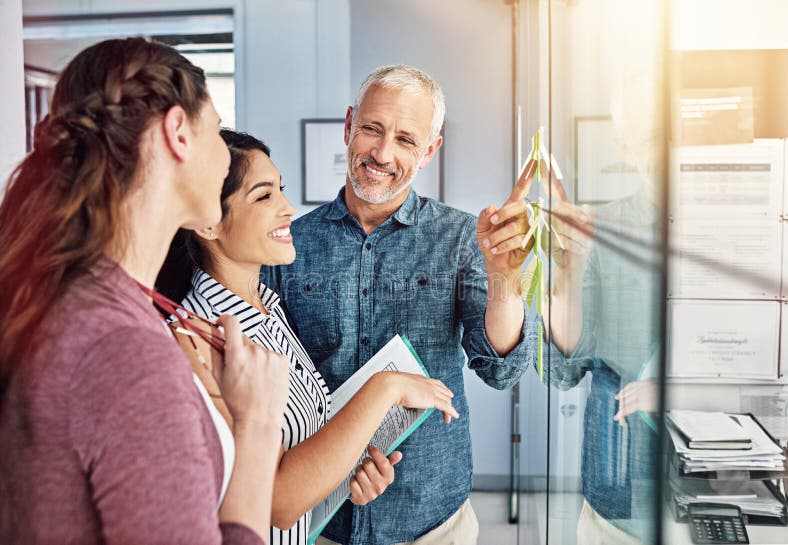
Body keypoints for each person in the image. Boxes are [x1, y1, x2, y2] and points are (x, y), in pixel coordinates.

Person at [0, 38, 289, 545]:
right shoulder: (123, 348)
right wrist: (259, 424)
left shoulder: (92, 299)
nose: (225, 154)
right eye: (217, 130)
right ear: (178, 132)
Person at [263, 64, 539, 545]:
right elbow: (272, 387)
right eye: (372, 128)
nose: (382, 153)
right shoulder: (289, 243)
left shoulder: (460, 238)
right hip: (325, 516)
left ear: (430, 150)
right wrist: (336, 459)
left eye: (407, 140)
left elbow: (501, 370)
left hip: (432, 518)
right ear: (349, 126)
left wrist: (504, 279)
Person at [156, 128, 460, 545]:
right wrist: (385, 389)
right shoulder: (200, 339)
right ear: (208, 222)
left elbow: (296, 456)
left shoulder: (266, 307)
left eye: (280, 189)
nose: (287, 208)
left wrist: (346, 470)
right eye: (264, 197)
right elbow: (277, 501)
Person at [541, 65, 665, 545]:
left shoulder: (749, 230)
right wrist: (568, 271)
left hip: (733, 492)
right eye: (652, 136)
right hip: (620, 498)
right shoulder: (601, 232)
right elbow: (561, 371)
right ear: (625, 146)